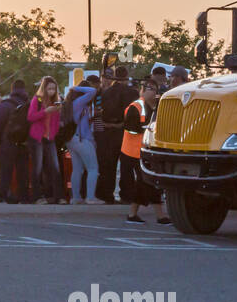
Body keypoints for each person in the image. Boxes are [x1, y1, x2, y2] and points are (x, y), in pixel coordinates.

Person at [122, 81, 170, 224]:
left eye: (155, 90)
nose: (154, 93)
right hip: (134, 151)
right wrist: (148, 128)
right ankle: (158, 216)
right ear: (143, 90)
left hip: (143, 151)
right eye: (151, 89)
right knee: (147, 182)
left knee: (146, 182)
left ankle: (135, 215)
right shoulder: (136, 106)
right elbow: (129, 128)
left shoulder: (152, 107)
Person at [96, 67, 139, 204]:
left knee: (108, 165)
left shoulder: (107, 92)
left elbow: (102, 110)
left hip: (108, 131)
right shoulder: (132, 93)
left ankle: (106, 195)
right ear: (126, 76)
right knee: (127, 166)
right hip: (125, 131)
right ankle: (127, 194)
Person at [27, 77, 65, 204]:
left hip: (50, 138)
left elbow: (56, 121)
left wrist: (59, 120)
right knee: (37, 168)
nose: (51, 91)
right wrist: (45, 111)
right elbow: (31, 117)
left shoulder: (57, 101)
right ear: (44, 88)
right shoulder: (37, 100)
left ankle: (59, 196)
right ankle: (37, 197)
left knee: (55, 167)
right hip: (37, 138)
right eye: (49, 89)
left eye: (53, 89)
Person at [0, 79, 32, 204]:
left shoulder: (5, 104)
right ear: (24, 90)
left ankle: (1, 194)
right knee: (23, 171)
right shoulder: (29, 104)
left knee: (6, 170)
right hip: (23, 142)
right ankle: (23, 196)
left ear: (12, 90)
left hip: (8, 141)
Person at [65, 79, 99, 205]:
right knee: (93, 168)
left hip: (71, 140)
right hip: (82, 139)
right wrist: (76, 88)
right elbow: (93, 91)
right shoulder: (79, 102)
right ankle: (90, 197)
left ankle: (76, 197)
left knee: (77, 169)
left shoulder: (70, 104)